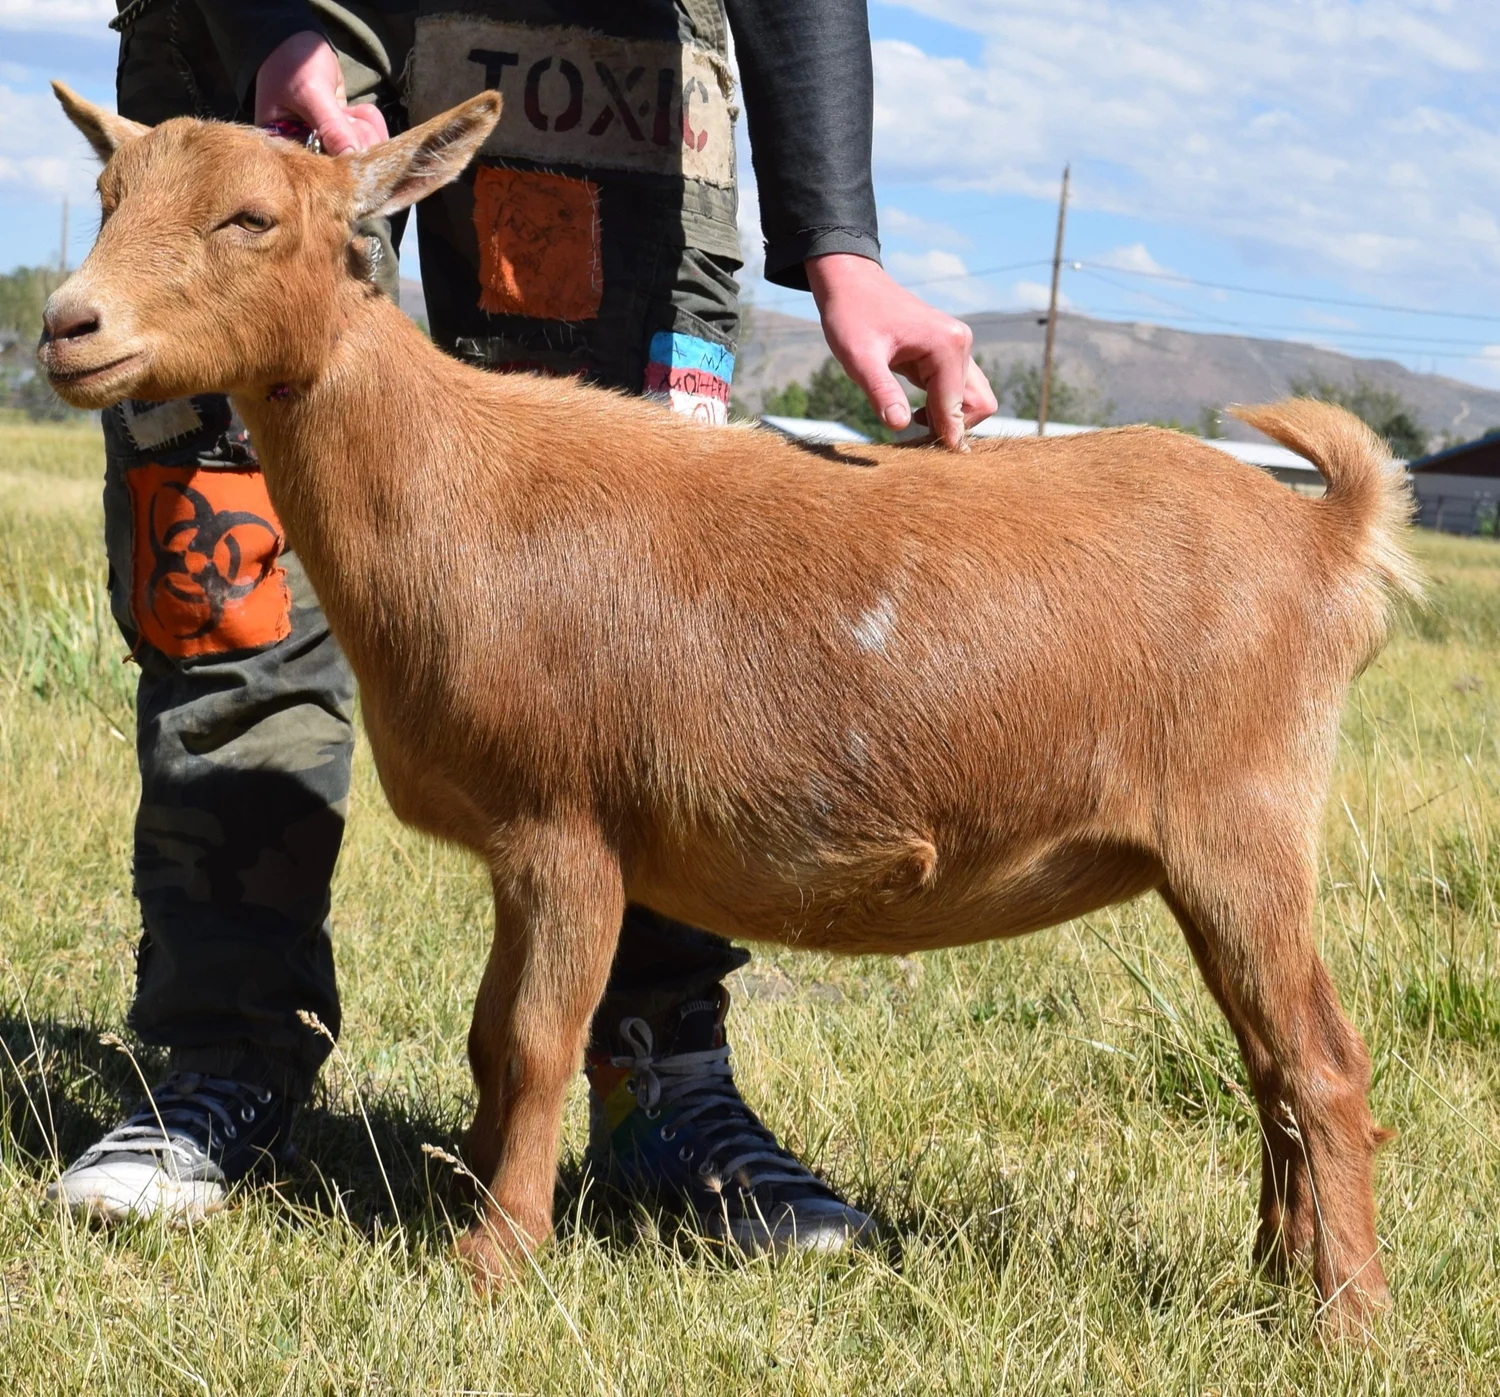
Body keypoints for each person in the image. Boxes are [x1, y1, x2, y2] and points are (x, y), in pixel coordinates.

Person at [51, 0, 997, 1252]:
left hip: (608, 42)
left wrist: (837, 234)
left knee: (644, 559)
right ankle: (225, 1055)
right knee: (219, 551)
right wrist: (271, 22)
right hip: (247, 26)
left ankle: (653, 1067)